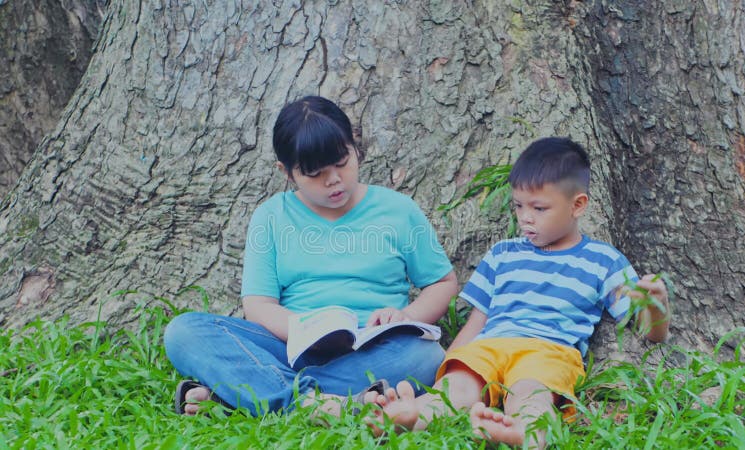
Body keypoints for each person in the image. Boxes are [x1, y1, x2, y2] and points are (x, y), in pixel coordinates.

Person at [366, 137, 671, 448]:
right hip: (490, 345)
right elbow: (478, 320)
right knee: (455, 388)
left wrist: (656, 305)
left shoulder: (603, 260)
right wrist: (450, 363)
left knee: (531, 394)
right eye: (519, 206)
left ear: (577, 205)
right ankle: (413, 416)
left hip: (548, 350)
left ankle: (525, 433)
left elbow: (652, 333)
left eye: (539, 208)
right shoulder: (503, 254)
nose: (526, 217)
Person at [164, 95, 458, 417]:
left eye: (342, 163)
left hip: (370, 347)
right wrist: (304, 329)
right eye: (315, 173)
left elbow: (442, 283)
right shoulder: (272, 216)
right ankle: (322, 403)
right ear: (287, 172)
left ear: (354, 146)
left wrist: (406, 315)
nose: (333, 180)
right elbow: (258, 304)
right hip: (293, 346)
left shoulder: (398, 211)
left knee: (424, 356)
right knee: (184, 332)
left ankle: (247, 398)